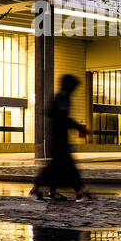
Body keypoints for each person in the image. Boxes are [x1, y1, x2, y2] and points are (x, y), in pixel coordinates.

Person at [30, 74, 92, 202]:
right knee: (66, 166)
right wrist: (78, 127)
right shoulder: (63, 96)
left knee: (59, 166)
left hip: (58, 137)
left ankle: (79, 192)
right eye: (74, 87)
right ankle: (79, 192)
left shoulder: (61, 96)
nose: (75, 90)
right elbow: (63, 118)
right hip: (59, 139)